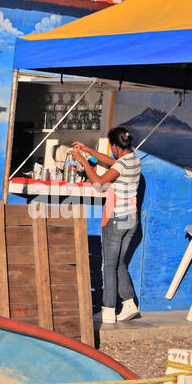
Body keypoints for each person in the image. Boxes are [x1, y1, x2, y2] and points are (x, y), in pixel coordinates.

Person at [71, 127, 142, 323]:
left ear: (117, 147)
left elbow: (100, 183)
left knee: (108, 266)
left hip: (116, 218)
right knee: (119, 263)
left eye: (111, 147)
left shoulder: (122, 164)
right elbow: (112, 163)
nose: (111, 151)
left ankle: (108, 310)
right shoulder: (133, 160)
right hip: (131, 220)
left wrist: (84, 162)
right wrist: (88, 150)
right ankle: (129, 305)